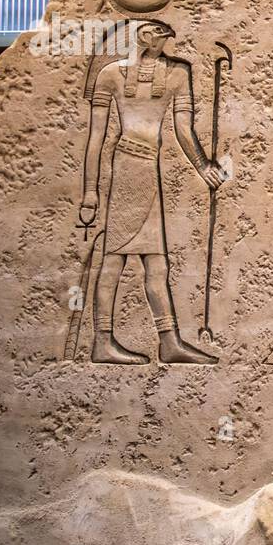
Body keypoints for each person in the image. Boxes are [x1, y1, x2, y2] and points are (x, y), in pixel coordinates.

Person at [80, 19, 224, 364]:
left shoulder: (177, 73)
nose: (162, 43)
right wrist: (89, 191)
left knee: (157, 264)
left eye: (164, 38)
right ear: (142, 38)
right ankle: (103, 340)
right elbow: (95, 138)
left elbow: (182, 129)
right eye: (157, 37)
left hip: (149, 169)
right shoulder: (112, 74)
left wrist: (203, 166)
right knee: (114, 259)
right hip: (127, 167)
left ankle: (169, 341)